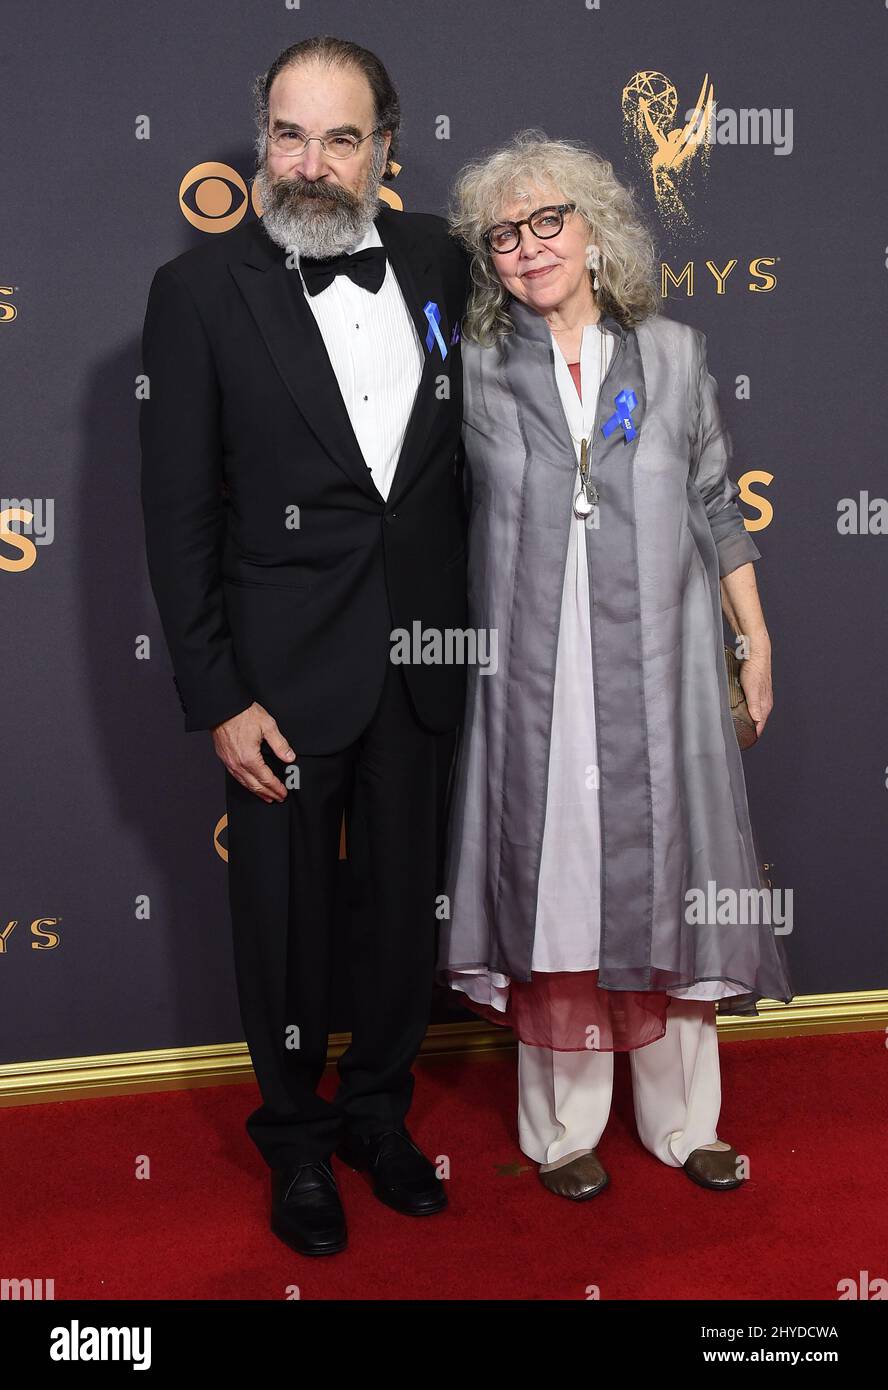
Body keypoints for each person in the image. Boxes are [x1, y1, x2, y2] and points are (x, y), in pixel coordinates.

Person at [139, 36, 469, 1255]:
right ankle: (296, 1143)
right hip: (276, 679)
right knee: (280, 921)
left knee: (398, 916)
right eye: (289, 133)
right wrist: (217, 692)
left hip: (425, 657)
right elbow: (177, 519)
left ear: (386, 149)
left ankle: (381, 1117)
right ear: (261, 138)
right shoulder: (198, 294)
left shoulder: (442, 258)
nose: (311, 164)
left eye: (341, 138)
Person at [439, 130, 793, 1200]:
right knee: (556, 888)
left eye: (551, 220)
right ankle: (561, 1132)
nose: (529, 246)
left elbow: (715, 502)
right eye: (505, 233)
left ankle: (687, 1126)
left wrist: (754, 634)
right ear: (489, 257)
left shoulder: (677, 353)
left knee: (674, 880)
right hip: (539, 685)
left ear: (597, 232)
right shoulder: (477, 366)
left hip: (662, 665)